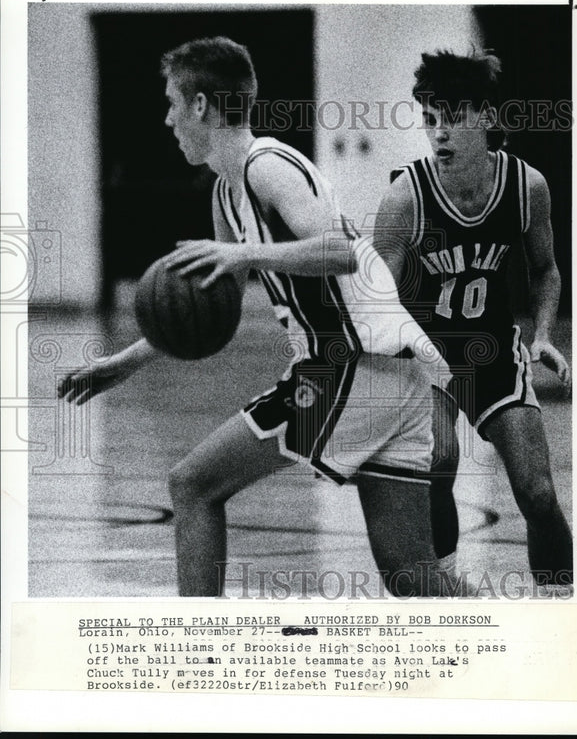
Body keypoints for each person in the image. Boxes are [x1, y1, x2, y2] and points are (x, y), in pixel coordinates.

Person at [59, 36, 457, 598]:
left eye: (174, 101)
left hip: (348, 367)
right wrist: (124, 363)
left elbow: (345, 250)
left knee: (193, 485)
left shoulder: (267, 167)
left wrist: (243, 253)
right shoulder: (226, 191)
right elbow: (207, 310)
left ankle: (201, 657)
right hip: (391, 378)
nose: (168, 118)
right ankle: (521, 635)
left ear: (201, 106)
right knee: (411, 576)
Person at [374, 49, 573, 589]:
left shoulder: (526, 186)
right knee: (440, 459)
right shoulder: (406, 195)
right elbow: (377, 294)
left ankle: (563, 605)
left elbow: (546, 271)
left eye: (452, 118)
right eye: (430, 121)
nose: (438, 135)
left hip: (492, 347)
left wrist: (543, 337)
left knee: (537, 492)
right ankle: (449, 596)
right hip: (427, 353)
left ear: (484, 117)